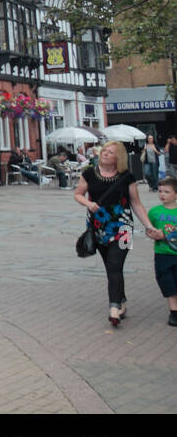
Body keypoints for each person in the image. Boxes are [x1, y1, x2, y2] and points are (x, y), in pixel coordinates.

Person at [74, 139, 149, 326]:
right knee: (111, 267)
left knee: (116, 264)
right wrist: (88, 204)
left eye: (111, 152)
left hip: (123, 227)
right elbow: (77, 194)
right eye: (104, 150)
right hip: (99, 227)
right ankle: (122, 300)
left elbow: (136, 203)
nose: (105, 153)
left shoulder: (127, 176)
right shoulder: (89, 174)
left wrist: (148, 226)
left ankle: (114, 309)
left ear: (119, 158)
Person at [142, 177, 177, 326]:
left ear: (176, 194)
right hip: (162, 253)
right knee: (167, 281)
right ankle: (174, 312)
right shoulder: (154, 212)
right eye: (160, 191)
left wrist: (167, 234)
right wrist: (152, 233)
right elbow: (149, 230)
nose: (162, 194)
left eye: (167, 192)